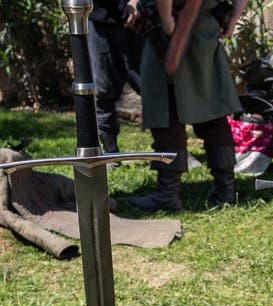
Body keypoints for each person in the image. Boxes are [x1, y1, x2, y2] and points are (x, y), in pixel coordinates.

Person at [126, 0, 249, 211]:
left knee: (166, 111)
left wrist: (166, 20)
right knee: (212, 111)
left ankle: (168, 194)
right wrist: (234, 16)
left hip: (169, 32)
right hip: (206, 29)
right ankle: (225, 190)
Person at [87, 0, 144, 156]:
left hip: (134, 20)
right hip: (97, 19)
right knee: (103, 89)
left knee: (151, 86)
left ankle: (172, 150)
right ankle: (110, 153)